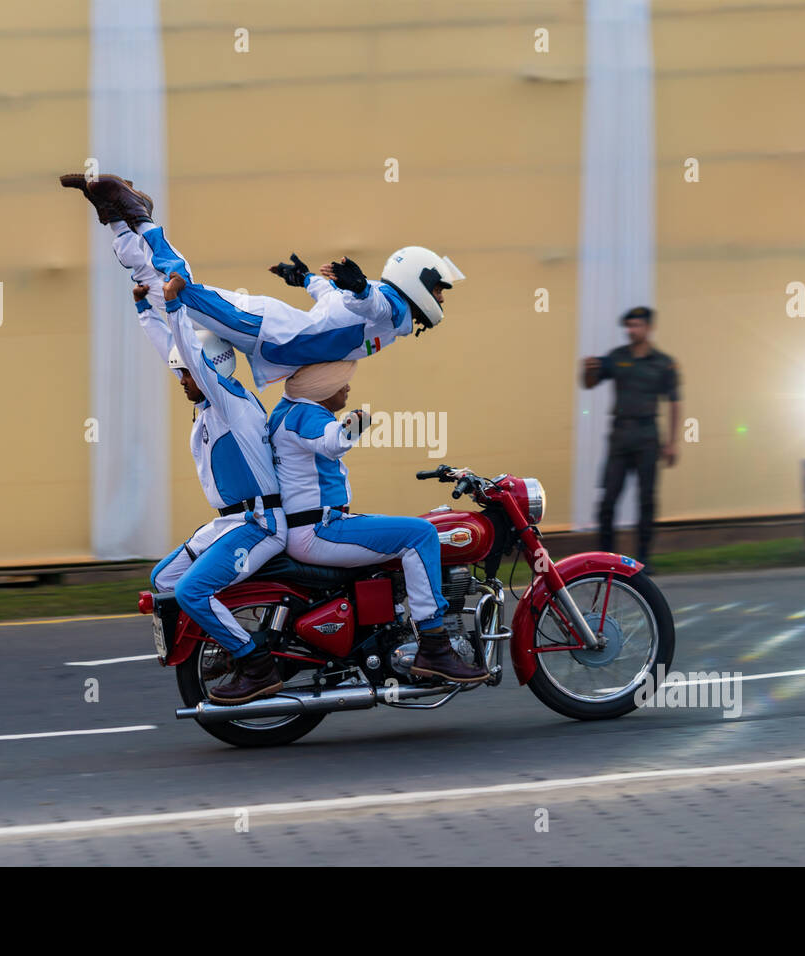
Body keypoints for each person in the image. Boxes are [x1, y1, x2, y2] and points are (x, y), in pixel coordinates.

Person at [63, 173, 464, 387]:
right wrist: (359, 289)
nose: (441, 300)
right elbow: (368, 304)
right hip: (265, 330)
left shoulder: (389, 320)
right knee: (178, 290)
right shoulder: (391, 310)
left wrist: (306, 278)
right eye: (439, 290)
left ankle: (119, 219)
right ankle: (137, 214)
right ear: (415, 279)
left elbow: (334, 305)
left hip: (268, 335)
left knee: (161, 296)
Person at [267, 361, 489, 685]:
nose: (347, 388)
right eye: (342, 381)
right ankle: (434, 645)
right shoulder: (306, 414)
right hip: (320, 529)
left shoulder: (286, 411)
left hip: (318, 523)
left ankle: (395, 627)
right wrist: (357, 423)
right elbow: (333, 442)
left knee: (401, 528)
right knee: (421, 534)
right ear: (322, 387)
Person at [129, 271, 289, 705]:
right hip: (231, 523)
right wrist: (146, 310)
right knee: (165, 579)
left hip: (261, 524)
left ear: (208, 369)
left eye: (187, 374)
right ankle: (225, 638)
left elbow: (193, 359)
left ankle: (254, 662)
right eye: (180, 374)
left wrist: (176, 306)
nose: (181, 379)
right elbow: (177, 354)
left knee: (191, 591)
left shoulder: (231, 402)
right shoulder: (206, 404)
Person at [581, 306, 681, 565]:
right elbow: (590, 383)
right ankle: (605, 559)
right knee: (608, 500)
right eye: (628, 326)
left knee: (646, 500)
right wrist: (588, 369)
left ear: (649, 328)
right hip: (620, 435)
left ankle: (644, 560)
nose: (631, 330)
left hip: (648, 435)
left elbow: (674, 402)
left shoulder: (663, 363)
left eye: (636, 325)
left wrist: (672, 442)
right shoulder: (616, 357)